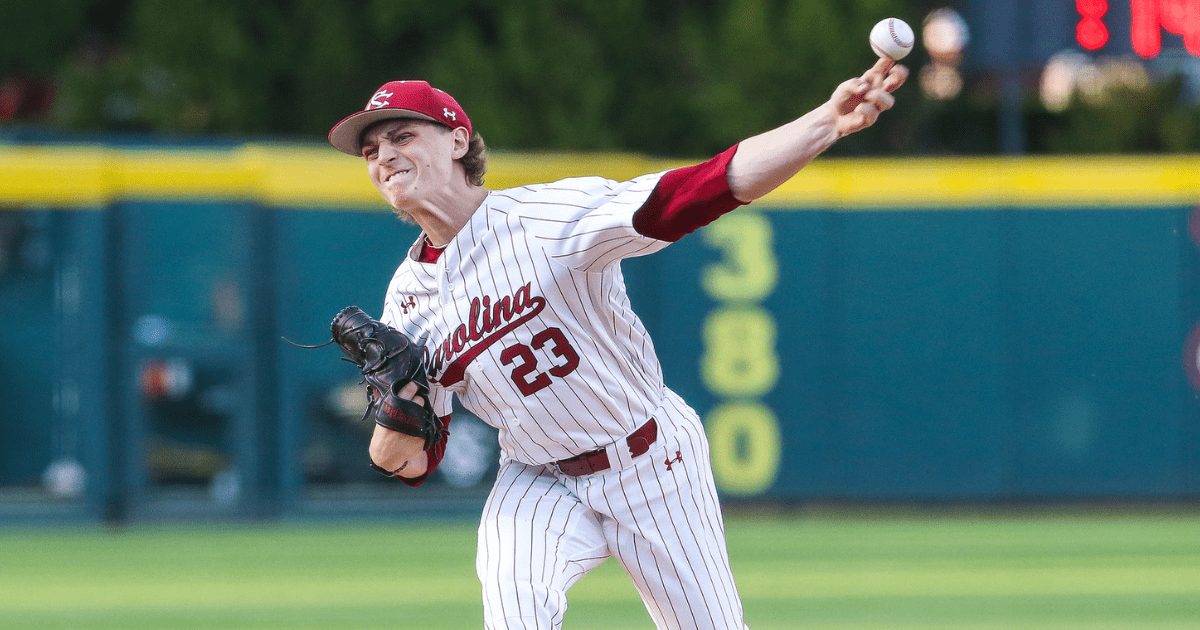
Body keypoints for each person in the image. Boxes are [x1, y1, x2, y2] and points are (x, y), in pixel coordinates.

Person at [327, 58, 907, 630]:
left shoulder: (546, 219)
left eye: (402, 136)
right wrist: (396, 399)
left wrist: (826, 122)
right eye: (371, 151)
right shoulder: (406, 299)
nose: (384, 157)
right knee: (515, 612)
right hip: (537, 476)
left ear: (457, 141)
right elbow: (413, 461)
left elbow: (700, 189)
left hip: (652, 459)